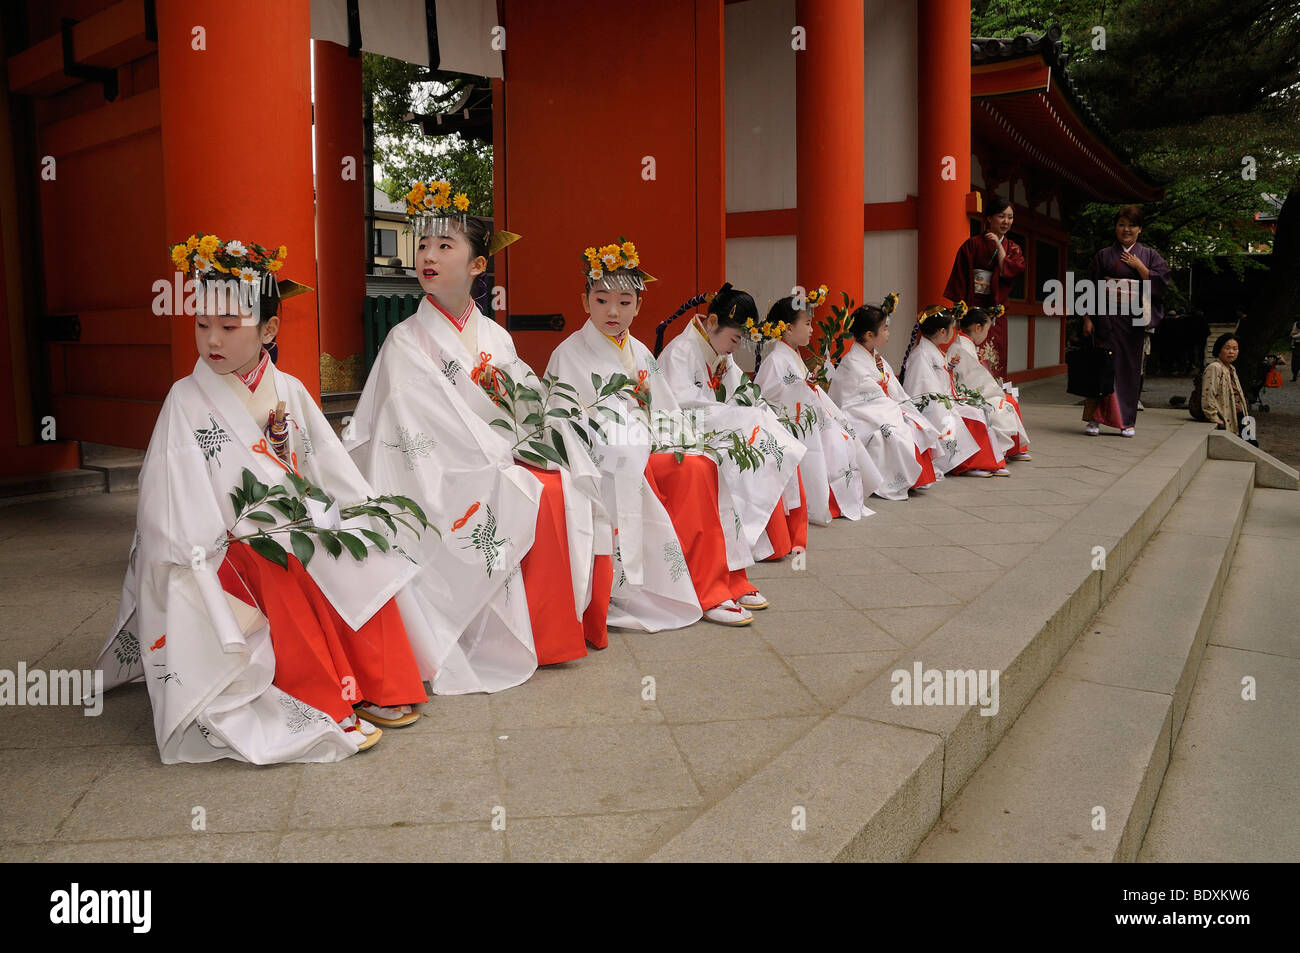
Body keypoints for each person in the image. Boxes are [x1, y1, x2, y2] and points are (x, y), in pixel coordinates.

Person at [97, 235, 435, 763]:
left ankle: (375, 683)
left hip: (290, 519)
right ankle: (324, 700)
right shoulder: (184, 399)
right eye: (202, 325)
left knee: (353, 543)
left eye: (229, 327)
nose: (212, 340)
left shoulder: (289, 389)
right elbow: (169, 493)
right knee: (277, 563)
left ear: (269, 329)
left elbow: (326, 462)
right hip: (225, 539)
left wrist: (357, 510)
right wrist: (214, 542)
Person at [346, 180, 613, 689]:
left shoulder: (496, 336)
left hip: (495, 456)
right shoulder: (406, 340)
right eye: (422, 244)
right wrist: (496, 456)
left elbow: (525, 399)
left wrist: (541, 435)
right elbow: (410, 426)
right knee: (525, 489)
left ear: (476, 266)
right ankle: (493, 634)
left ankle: (550, 635)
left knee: (561, 482)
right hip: (435, 471)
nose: (428, 255)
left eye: (445, 245)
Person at [547, 239, 773, 627]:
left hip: (647, 443)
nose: (613, 311)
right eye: (601, 300)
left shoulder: (639, 351)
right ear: (585, 303)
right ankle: (706, 589)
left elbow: (665, 407)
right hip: (610, 455)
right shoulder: (567, 354)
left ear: (639, 304)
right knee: (686, 470)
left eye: (624, 301)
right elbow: (562, 421)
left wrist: (678, 436)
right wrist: (625, 434)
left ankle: (728, 577)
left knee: (703, 463)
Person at [657, 283, 808, 563]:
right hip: (682, 433)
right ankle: (758, 540)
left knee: (775, 435)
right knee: (753, 438)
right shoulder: (681, 351)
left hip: (715, 424)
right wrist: (740, 415)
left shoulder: (720, 352)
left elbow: (744, 390)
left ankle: (778, 537)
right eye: (735, 339)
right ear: (712, 322)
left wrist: (761, 413)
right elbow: (683, 406)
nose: (735, 348)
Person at [752, 291, 880, 522]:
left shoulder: (793, 356)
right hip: (791, 425)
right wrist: (802, 389)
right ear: (788, 328)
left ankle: (840, 499)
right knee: (834, 442)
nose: (812, 329)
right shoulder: (776, 360)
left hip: (808, 418)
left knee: (844, 437)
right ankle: (828, 501)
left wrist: (806, 387)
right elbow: (767, 400)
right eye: (808, 324)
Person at [828, 295, 939, 498]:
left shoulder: (875, 356)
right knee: (893, 434)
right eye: (885, 329)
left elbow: (891, 388)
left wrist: (897, 406)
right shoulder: (851, 362)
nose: (889, 333)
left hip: (882, 409)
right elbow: (854, 401)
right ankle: (900, 478)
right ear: (870, 335)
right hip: (860, 417)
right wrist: (891, 407)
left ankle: (914, 476)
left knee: (915, 424)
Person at [1081, 205, 1172, 437]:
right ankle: (1095, 419)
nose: (1126, 229)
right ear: (1116, 227)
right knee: (1102, 367)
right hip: (1106, 319)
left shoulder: (1150, 256)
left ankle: (1126, 421)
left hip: (1133, 322)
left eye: (1131, 225)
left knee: (1129, 370)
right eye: (1121, 224)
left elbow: (1162, 284)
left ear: (1140, 229)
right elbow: (1090, 287)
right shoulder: (1103, 255)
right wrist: (1088, 317)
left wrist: (1140, 267)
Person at [900, 304, 1009, 477]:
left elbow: (935, 380)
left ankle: (985, 461)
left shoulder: (932, 350)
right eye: (951, 327)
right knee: (972, 414)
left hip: (943, 399)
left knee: (979, 409)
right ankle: (967, 464)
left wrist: (949, 368)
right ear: (942, 332)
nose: (954, 331)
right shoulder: (921, 355)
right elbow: (921, 390)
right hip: (932, 407)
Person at [943, 196, 1026, 379]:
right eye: (1001, 216)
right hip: (973, 305)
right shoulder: (972, 244)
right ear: (989, 218)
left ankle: (995, 396)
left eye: (1010, 217)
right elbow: (960, 276)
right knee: (969, 353)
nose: (1006, 221)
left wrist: (998, 245)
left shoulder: (1012, 248)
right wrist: (962, 308)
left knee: (995, 355)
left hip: (996, 308)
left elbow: (1011, 270)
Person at [954, 306, 1030, 461]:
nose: (987, 336)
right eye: (987, 330)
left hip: (970, 388)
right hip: (965, 392)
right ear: (978, 327)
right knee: (1005, 403)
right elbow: (968, 379)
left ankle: (1014, 449)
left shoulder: (964, 342)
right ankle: (1009, 450)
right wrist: (993, 390)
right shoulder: (963, 345)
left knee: (1007, 400)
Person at [1198, 333, 1251, 441]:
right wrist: (1214, 417)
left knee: (1252, 444)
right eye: (1227, 348)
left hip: (1240, 415)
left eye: (1235, 349)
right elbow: (1208, 394)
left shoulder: (1231, 368)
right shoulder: (1214, 368)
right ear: (1219, 350)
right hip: (1227, 415)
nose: (1231, 352)